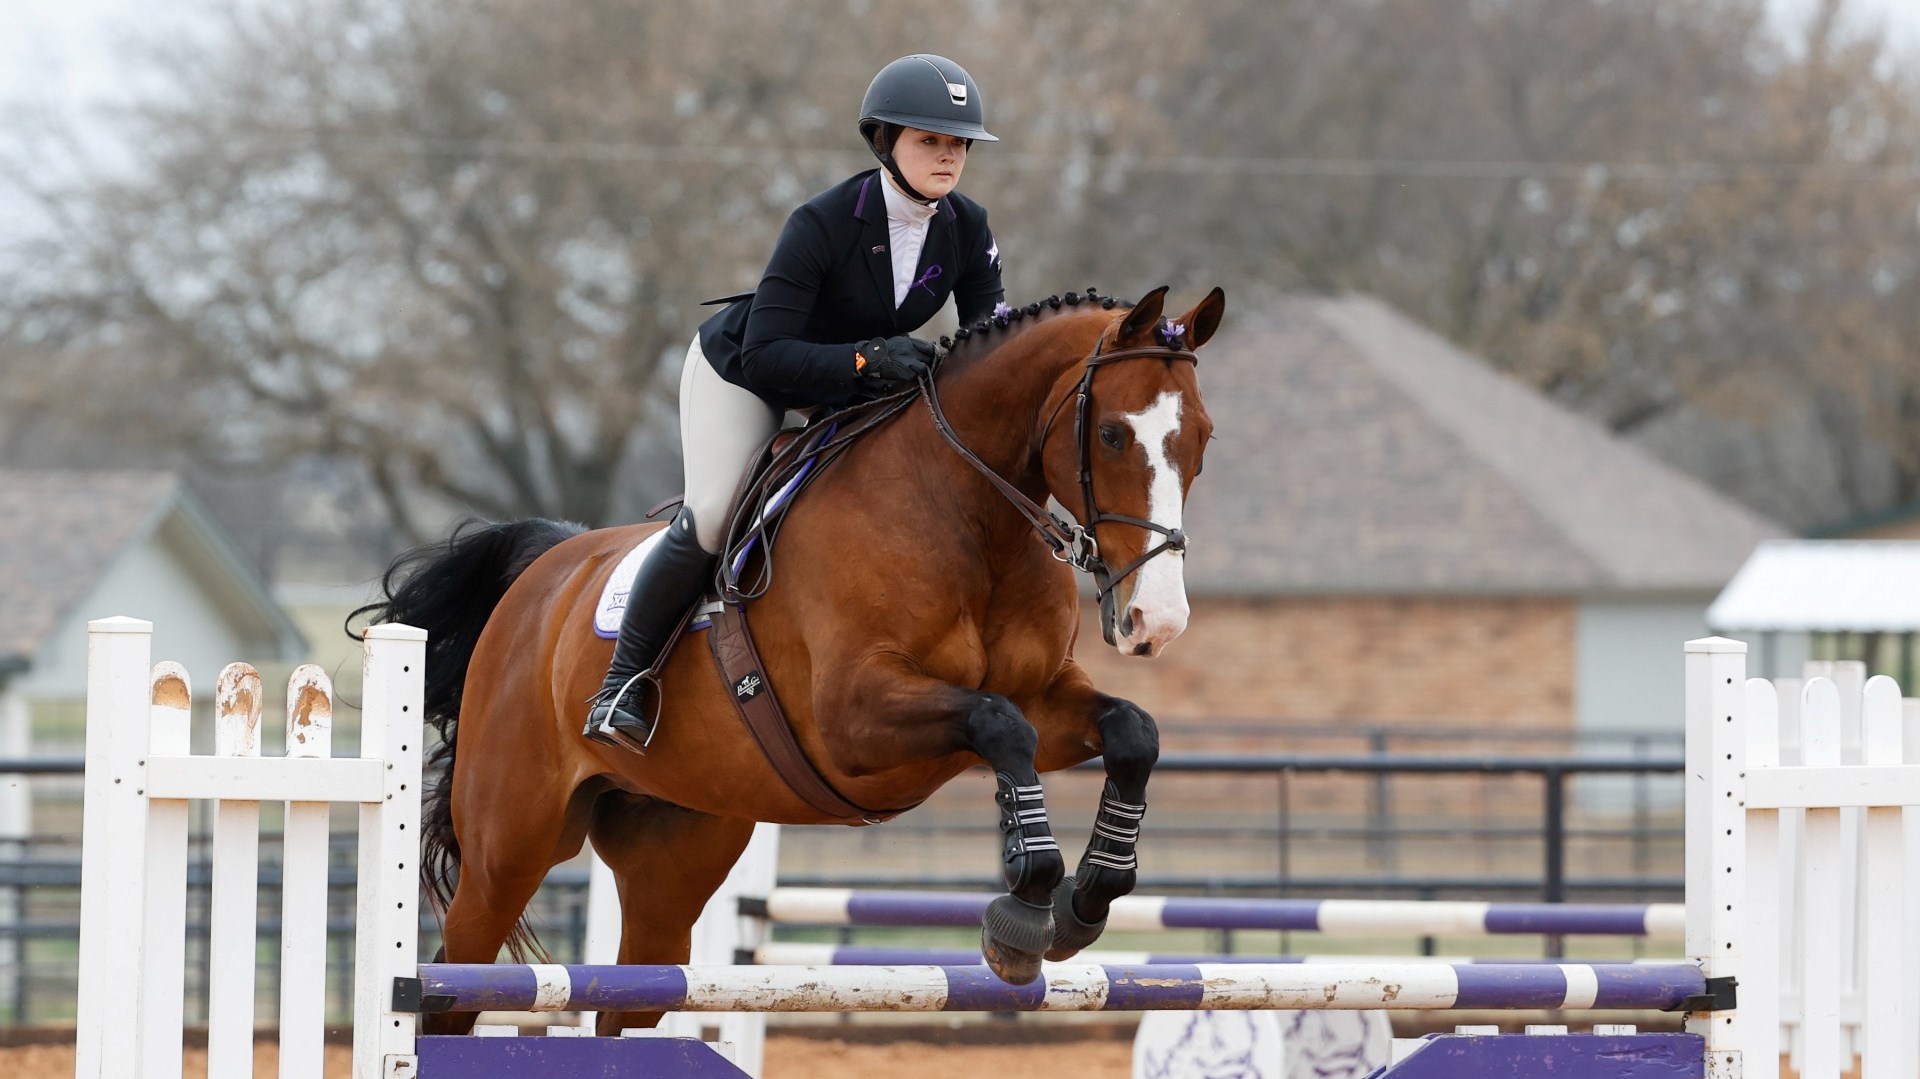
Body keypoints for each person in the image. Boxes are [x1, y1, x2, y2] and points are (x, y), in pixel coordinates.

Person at [586, 54, 1007, 750]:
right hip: (746, 372)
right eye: (930, 140)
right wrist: (867, 358)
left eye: (959, 143)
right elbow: (766, 352)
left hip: (850, 384)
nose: (949, 156)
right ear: (884, 142)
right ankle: (621, 684)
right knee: (715, 515)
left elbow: (990, 340)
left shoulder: (968, 226)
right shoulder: (823, 222)